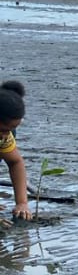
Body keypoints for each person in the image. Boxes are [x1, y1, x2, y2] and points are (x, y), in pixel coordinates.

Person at [0, 80, 32, 221]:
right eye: (3, 130)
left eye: (11, 130)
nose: (6, 135)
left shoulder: (5, 136)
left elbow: (15, 163)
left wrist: (22, 203)